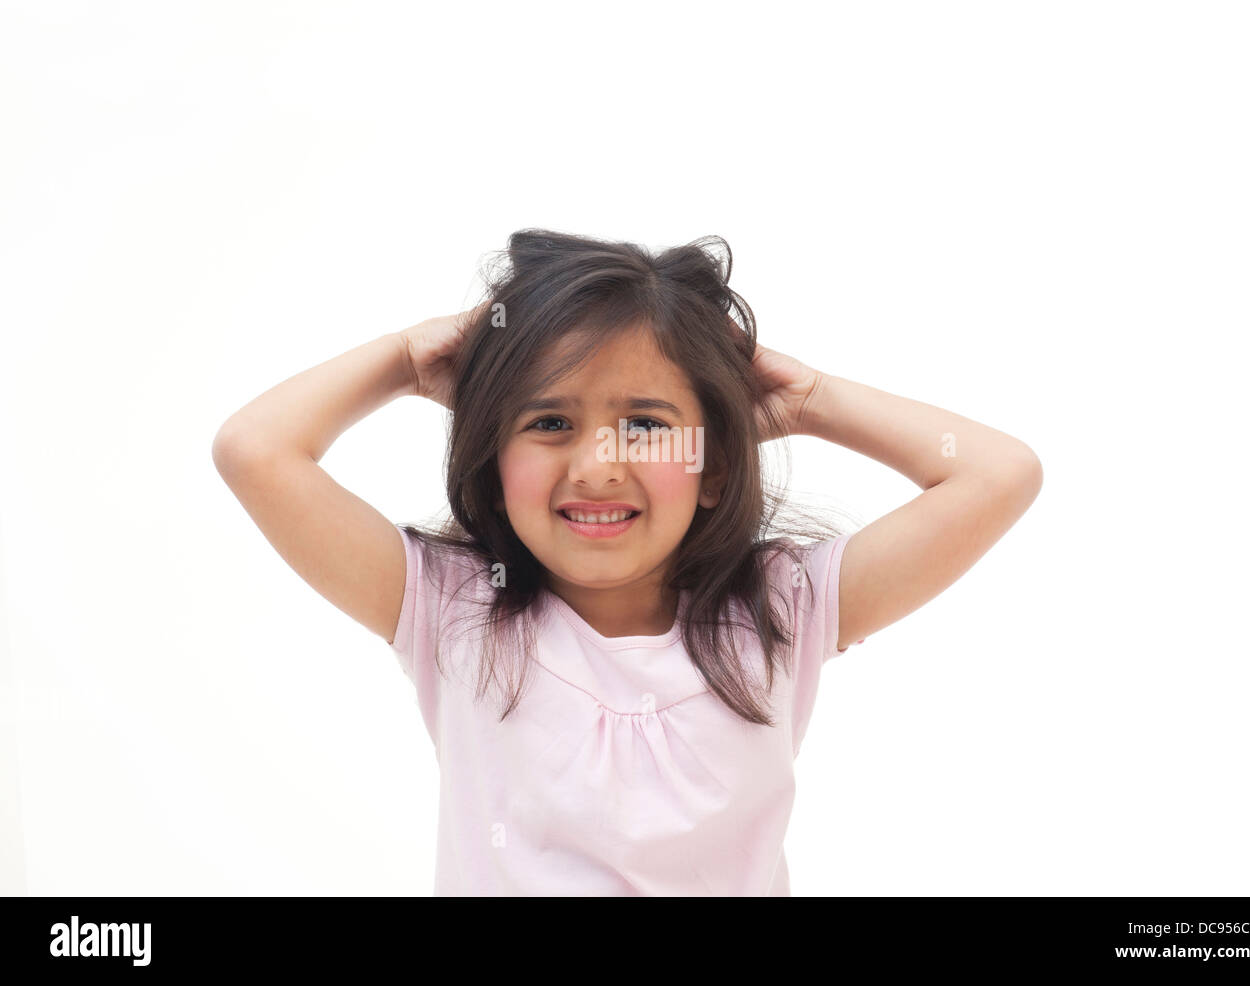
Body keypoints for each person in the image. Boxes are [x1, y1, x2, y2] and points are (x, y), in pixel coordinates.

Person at [212, 228, 1043, 895]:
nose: (597, 466)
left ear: (715, 464)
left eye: (646, 425)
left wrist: (811, 399)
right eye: (548, 423)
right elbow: (257, 449)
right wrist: (403, 359)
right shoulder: (450, 609)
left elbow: (997, 474)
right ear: (492, 467)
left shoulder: (785, 611)